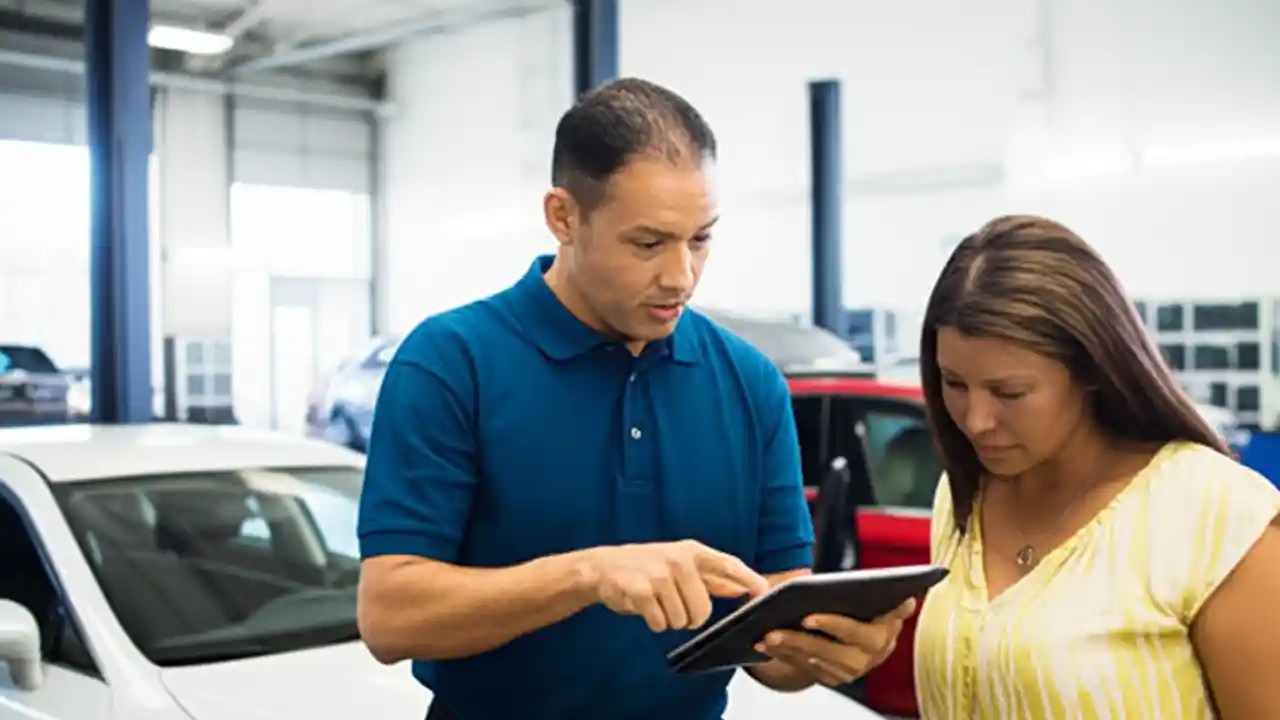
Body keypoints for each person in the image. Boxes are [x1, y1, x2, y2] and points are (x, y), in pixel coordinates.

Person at [355, 77, 913, 720]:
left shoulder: (751, 383)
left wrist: (828, 651)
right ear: (563, 217)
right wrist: (589, 575)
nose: (681, 277)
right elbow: (391, 618)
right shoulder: (451, 362)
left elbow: (774, 652)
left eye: (700, 238)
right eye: (647, 243)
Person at [911, 214, 1280, 719]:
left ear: (1092, 369)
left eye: (1009, 392)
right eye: (954, 384)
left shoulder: (1216, 516)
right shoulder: (961, 495)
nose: (976, 420)